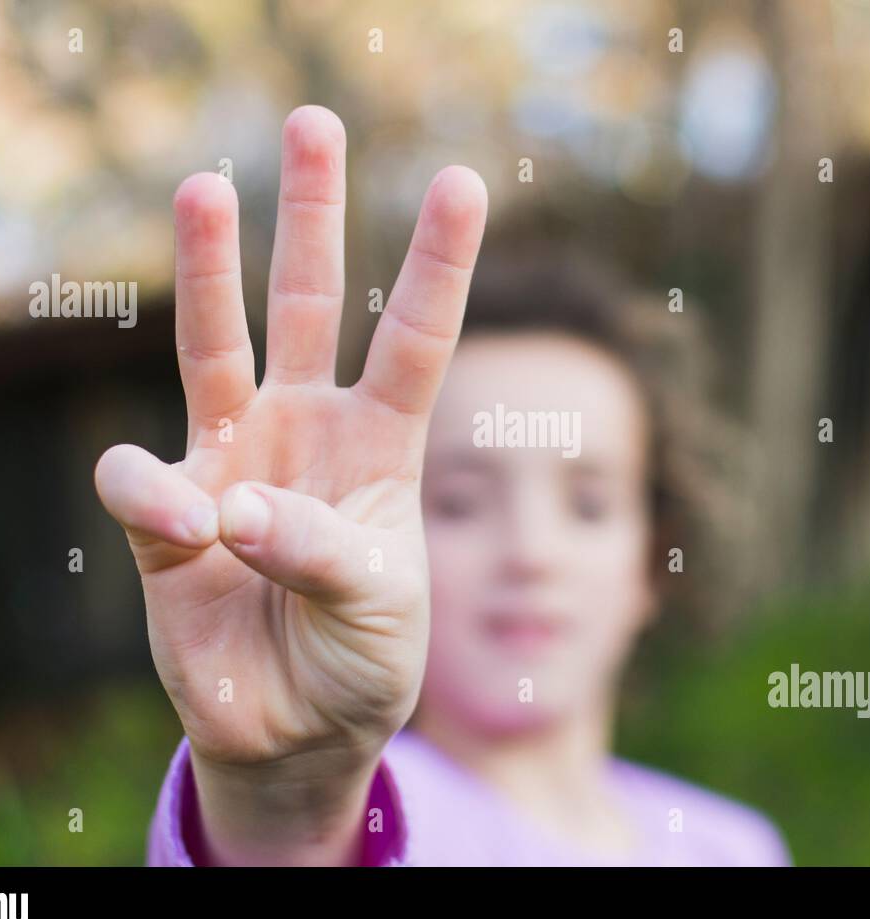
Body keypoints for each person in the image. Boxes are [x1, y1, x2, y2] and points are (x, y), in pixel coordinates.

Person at [94, 105, 789, 866]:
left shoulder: (736, 846)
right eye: (459, 502)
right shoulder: (361, 819)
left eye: (588, 504)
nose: (530, 553)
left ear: (655, 560)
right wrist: (286, 790)